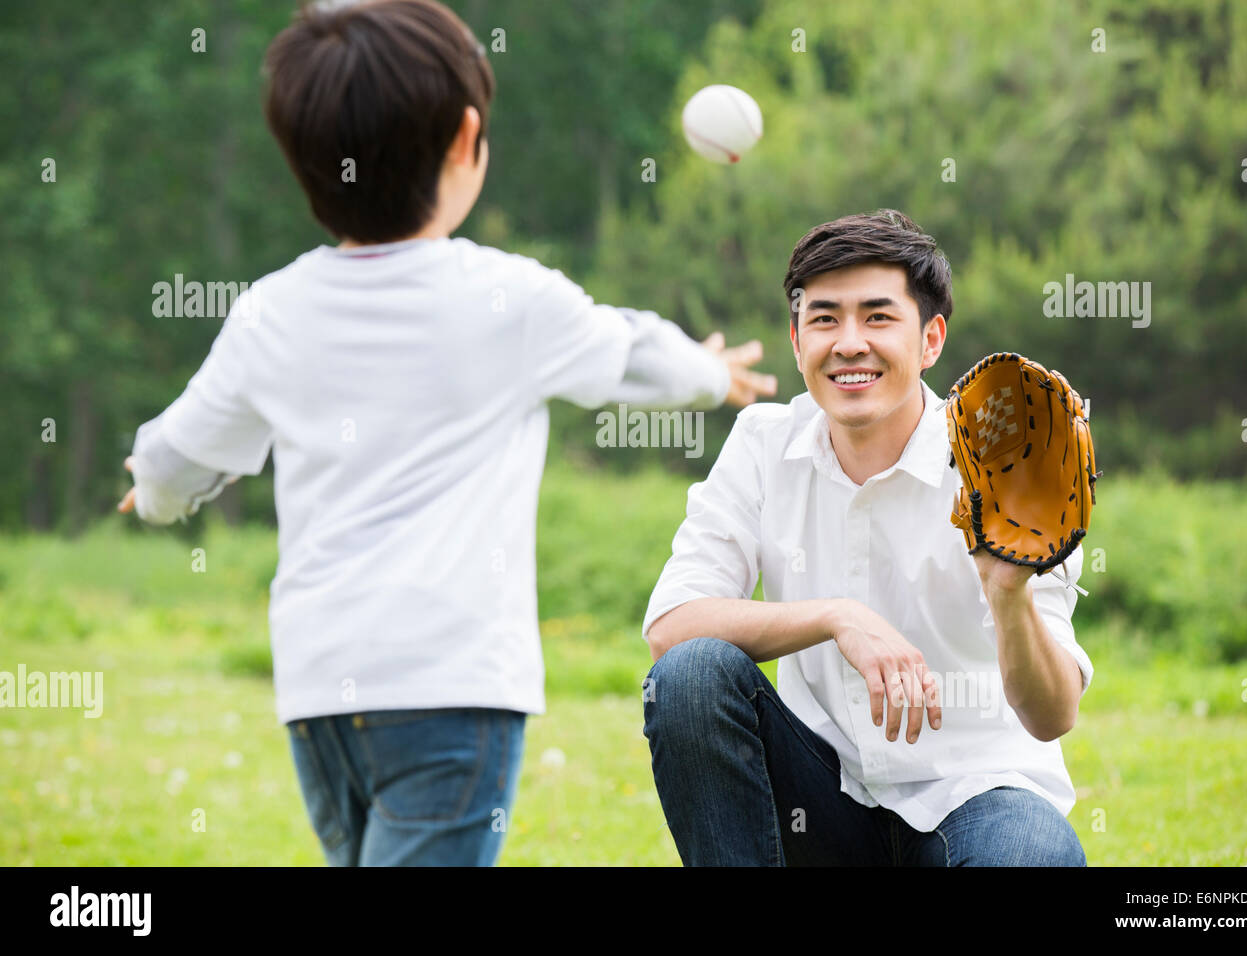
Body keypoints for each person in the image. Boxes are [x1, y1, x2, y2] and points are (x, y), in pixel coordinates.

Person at [116, 0, 776, 866]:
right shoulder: (508, 299)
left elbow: (178, 454)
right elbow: (631, 353)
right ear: (467, 140)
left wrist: (154, 495)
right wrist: (710, 372)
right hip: (450, 687)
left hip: (320, 693)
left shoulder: (271, 311)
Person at [641, 209, 1092, 866]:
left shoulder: (1003, 462)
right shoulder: (763, 442)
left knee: (1031, 856)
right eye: (824, 319)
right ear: (797, 342)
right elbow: (671, 627)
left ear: (931, 339)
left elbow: (1053, 717)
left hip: (979, 795)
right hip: (822, 805)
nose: (849, 343)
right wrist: (836, 617)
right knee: (692, 675)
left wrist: (1008, 594)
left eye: (878, 317)